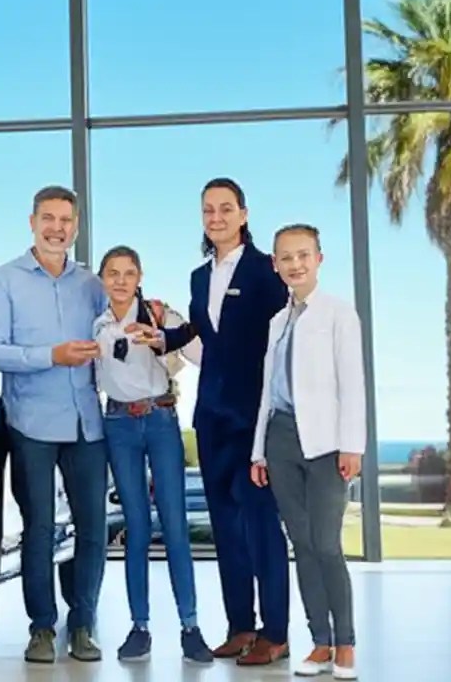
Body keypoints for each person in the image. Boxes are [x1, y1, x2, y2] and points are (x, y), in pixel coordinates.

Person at [155, 177, 292, 666]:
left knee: (261, 526)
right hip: (210, 417)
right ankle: (240, 626)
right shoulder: (198, 276)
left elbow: (281, 343)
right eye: (208, 210)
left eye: (226, 209)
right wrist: (164, 339)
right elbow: (203, 336)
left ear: (244, 214)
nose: (216, 217)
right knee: (225, 527)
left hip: (254, 419)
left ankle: (275, 632)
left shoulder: (264, 271)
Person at [0, 184, 110, 665]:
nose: (58, 228)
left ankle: (83, 625)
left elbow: (112, 338)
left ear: (76, 226)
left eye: (66, 220)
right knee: (39, 528)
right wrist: (50, 356)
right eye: (49, 218)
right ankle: (41, 629)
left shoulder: (91, 285)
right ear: (32, 222)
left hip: (87, 426)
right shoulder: (4, 280)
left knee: (92, 529)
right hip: (31, 423)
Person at [250, 224, 364, 680]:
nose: (294, 264)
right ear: (275, 264)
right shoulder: (278, 322)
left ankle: (346, 644)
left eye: (303, 255)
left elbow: (352, 384)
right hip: (280, 439)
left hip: (325, 443)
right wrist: (259, 451)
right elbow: (267, 392)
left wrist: (352, 445)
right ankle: (319, 642)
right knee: (301, 544)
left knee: (326, 544)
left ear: (319, 259)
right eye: (285, 257)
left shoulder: (339, 314)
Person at [91, 245, 214, 664]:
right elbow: (89, 378)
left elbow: (202, 352)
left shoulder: (161, 314)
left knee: (175, 524)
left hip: (161, 421)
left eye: (128, 273)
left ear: (140, 276)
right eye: (112, 273)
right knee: (137, 527)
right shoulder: (96, 326)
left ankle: (191, 626)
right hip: (119, 426)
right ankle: (139, 627)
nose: (121, 281)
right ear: (103, 279)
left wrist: (166, 340)